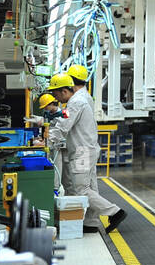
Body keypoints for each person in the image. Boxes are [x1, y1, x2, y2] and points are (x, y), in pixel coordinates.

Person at [49, 74, 126, 234]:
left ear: (64, 91)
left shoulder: (75, 103)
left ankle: (115, 212)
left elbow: (63, 127)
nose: (55, 97)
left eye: (55, 93)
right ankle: (91, 223)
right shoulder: (77, 101)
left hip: (82, 152)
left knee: (81, 190)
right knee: (90, 187)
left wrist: (46, 140)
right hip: (86, 150)